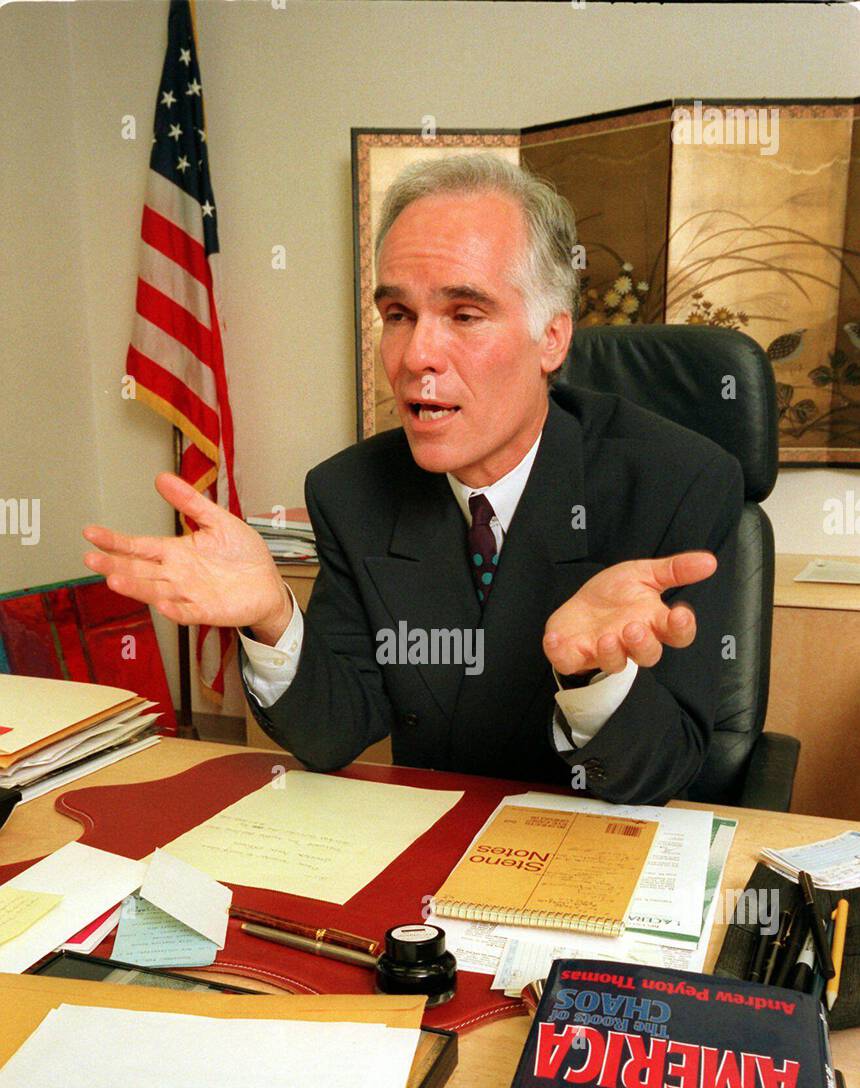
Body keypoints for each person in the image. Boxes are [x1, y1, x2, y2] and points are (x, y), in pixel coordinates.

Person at [84, 155, 744, 804]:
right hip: (430, 866)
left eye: (464, 314)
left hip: (591, 853)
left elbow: (663, 772)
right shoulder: (351, 492)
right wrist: (272, 618)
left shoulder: (678, 480)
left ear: (551, 338)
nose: (417, 356)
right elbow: (333, 732)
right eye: (398, 315)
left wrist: (596, 673)